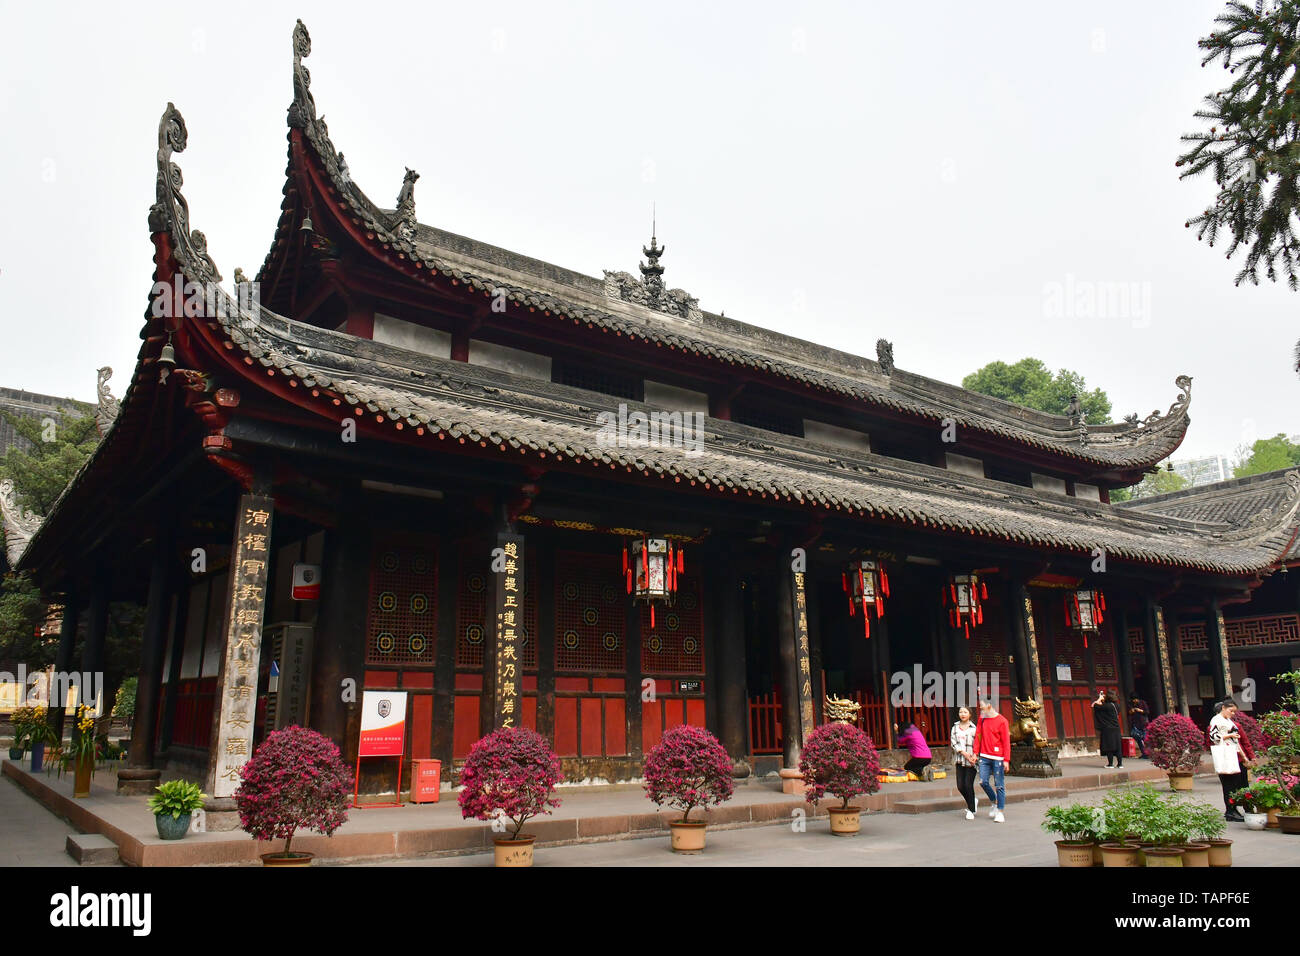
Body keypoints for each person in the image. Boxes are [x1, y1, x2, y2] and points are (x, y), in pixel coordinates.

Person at [1209, 699, 1255, 822]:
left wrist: (1250, 756)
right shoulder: (1215, 722)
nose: (1233, 714)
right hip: (1226, 757)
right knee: (1229, 785)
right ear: (1223, 708)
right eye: (1231, 711)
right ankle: (1231, 810)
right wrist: (1229, 736)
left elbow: (1244, 741)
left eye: (1234, 711)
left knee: (1242, 784)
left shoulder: (1232, 724)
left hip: (1237, 757)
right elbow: (1212, 738)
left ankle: (1245, 808)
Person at [973, 698, 1010, 823]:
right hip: (984, 756)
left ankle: (1000, 811)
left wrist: (1006, 759)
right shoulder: (982, 720)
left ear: (989, 705)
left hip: (998, 757)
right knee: (983, 782)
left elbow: (1006, 741)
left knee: (999, 784)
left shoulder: (1002, 721)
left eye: (982, 706)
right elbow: (978, 737)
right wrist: (975, 752)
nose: (980, 708)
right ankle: (994, 801)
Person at [950, 706, 979, 820]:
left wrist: (974, 755)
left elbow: (978, 742)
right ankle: (973, 801)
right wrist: (963, 753)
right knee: (960, 786)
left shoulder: (974, 728)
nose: (962, 714)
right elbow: (953, 742)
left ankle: (971, 810)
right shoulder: (955, 727)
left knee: (968, 784)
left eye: (965, 712)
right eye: (961, 712)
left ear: (970, 714)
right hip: (960, 759)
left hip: (972, 760)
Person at [1092, 689, 1123, 768]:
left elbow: (1094, 705)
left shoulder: (1106, 706)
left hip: (1108, 729)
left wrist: (1099, 698)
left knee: (1109, 747)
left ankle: (1110, 764)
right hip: (1116, 728)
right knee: (1118, 747)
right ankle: (1120, 764)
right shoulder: (1117, 705)